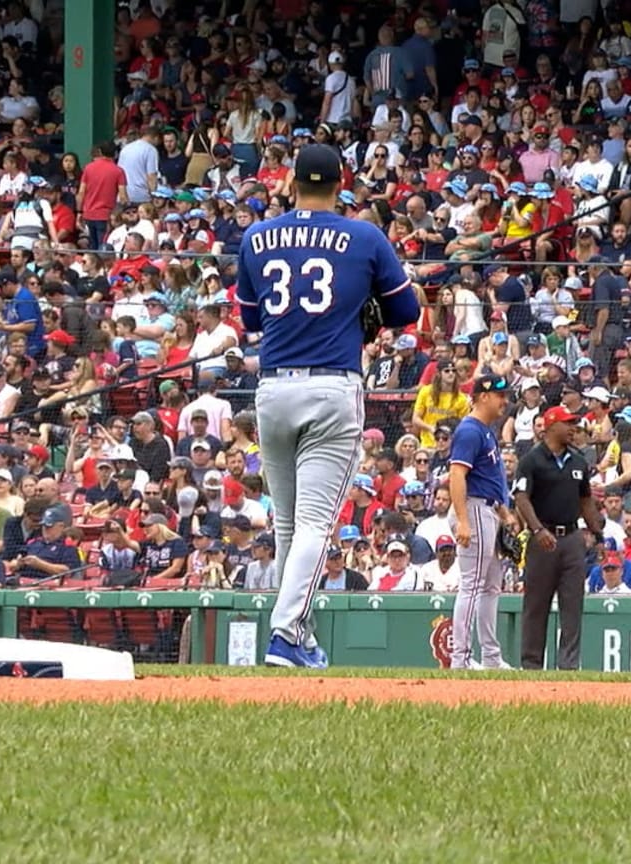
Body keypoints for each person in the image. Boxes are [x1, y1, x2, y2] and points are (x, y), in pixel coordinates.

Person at [236, 144, 422, 668]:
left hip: (273, 389)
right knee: (316, 524)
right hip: (331, 387)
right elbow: (404, 309)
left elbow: (251, 319)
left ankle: (302, 634)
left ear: (291, 183)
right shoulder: (363, 234)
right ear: (341, 184)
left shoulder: (256, 235)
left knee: (291, 527)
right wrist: (362, 305)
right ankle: (285, 634)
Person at [513, 405, 606, 670]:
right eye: (568, 423)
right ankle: (531, 664)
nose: (573, 428)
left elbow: (586, 500)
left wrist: (598, 534)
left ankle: (568, 666)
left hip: (571, 537)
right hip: (543, 538)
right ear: (551, 426)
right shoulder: (532, 460)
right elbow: (521, 497)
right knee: (536, 604)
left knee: (572, 604)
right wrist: (537, 529)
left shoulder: (577, 461)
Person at [447, 374, 520, 671]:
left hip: (488, 509)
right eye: (500, 396)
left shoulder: (486, 431)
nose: (505, 402)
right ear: (483, 396)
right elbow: (456, 475)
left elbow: (488, 478)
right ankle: (460, 659)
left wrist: (504, 512)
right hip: (473, 510)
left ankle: (490, 657)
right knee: (472, 586)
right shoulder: (470, 430)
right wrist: (464, 520)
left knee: (491, 587)